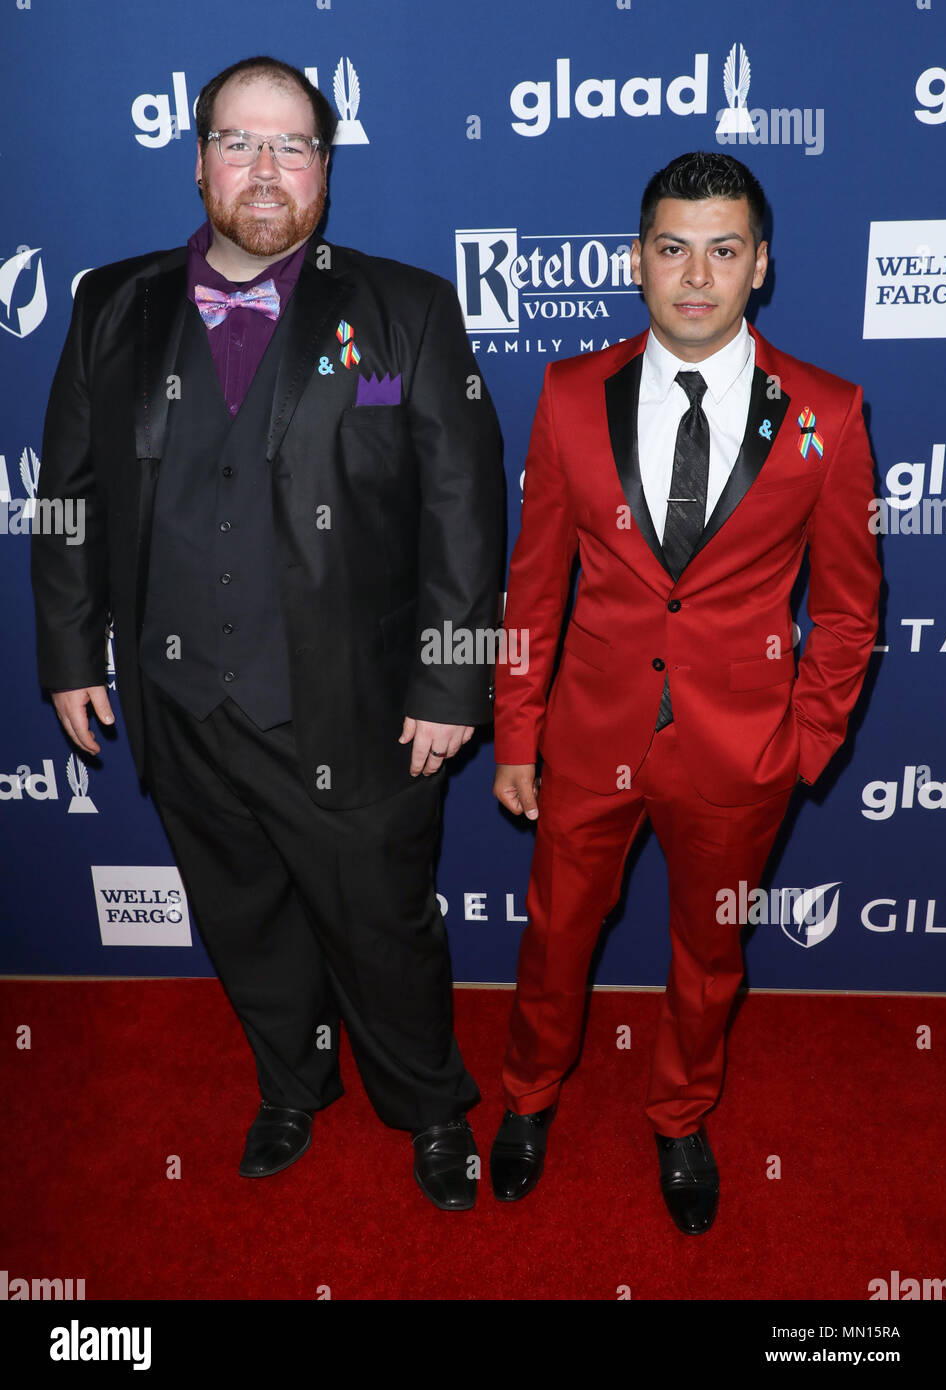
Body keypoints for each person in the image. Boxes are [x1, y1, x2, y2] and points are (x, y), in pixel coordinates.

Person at [32, 55, 505, 1212]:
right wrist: (64, 651)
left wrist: (451, 686)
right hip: (177, 698)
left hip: (349, 699)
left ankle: (431, 1106)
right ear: (197, 162)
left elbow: (467, 507)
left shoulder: (405, 306)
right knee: (241, 913)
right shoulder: (111, 305)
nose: (263, 169)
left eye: (291, 146)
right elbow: (67, 497)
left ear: (325, 176)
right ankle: (293, 1079)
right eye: (238, 142)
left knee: (384, 928)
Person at [489, 151, 880, 1233]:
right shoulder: (570, 394)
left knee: (708, 955)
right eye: (671, 248)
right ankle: (526, 1096)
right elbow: (531, 588)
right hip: (587, 732)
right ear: (636, 261)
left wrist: (800, 746)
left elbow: (848, 610)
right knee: (554, 934)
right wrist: (515, 730)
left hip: (739, 751)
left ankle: (679, 1112)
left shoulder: (826, 413)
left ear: (759, 264)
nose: (694, 275)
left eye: (720, 249)